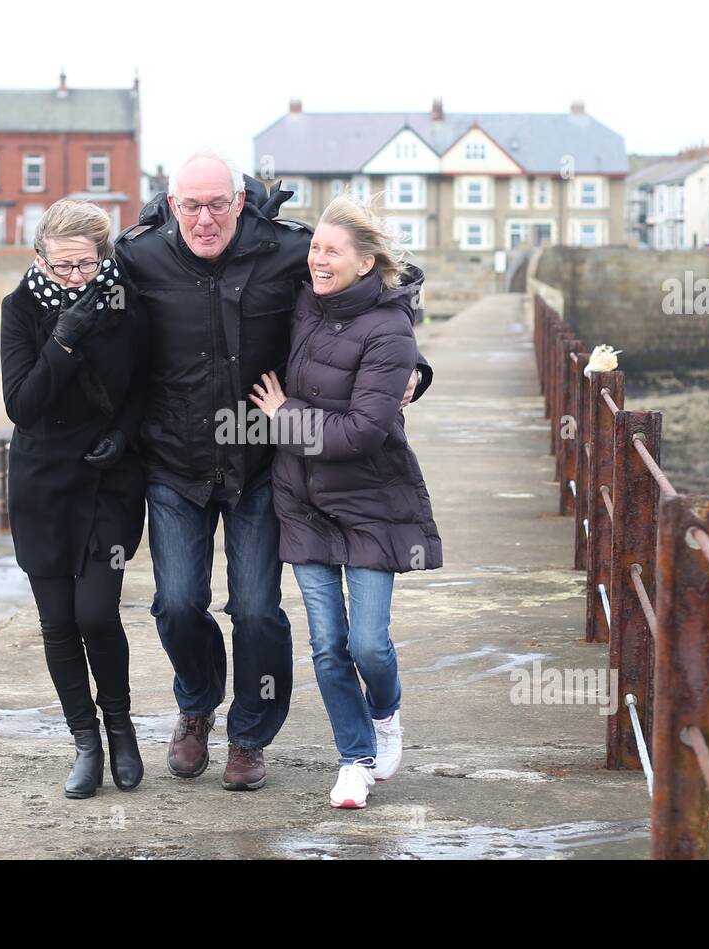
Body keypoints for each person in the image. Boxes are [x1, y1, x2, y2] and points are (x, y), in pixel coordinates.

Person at [113, 151, 433, 791]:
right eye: (191, 205)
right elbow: (91, 311)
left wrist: (412, 371)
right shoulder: (139, 257)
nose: (205, 218)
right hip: (174, 462)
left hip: (261, 464)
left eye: (217, 203)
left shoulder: (286, 250)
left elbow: (369, 291)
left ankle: (250, 737)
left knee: (257, 610)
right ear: (171, 205)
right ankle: (197, 705)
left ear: (240, 202)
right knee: (176, 605)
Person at [249, 193, 443, 809]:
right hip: (301, 501)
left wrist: (284, 416)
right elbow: (251, 230)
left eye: (332, 251)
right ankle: (354, 760)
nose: (317, 260)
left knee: (367, 645)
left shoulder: (391, 331)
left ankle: (385, 713)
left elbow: (363, 432)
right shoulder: (305, 301)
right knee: (327, 645)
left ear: (367, 263)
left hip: (369, 504)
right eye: (315, 249)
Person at [0, 199, 148, 799]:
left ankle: (121, 726)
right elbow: (23, 405)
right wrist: (62, 339)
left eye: (85, 266)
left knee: (96, 614)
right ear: (40, 257)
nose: (74, 279)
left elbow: (146, 383)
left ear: (103, 258)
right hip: (43, 483)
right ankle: (85, 741)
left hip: (108, 479)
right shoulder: (20, 308)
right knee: (58, 623)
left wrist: (124, 435)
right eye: (62, 266)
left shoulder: (127, 302)